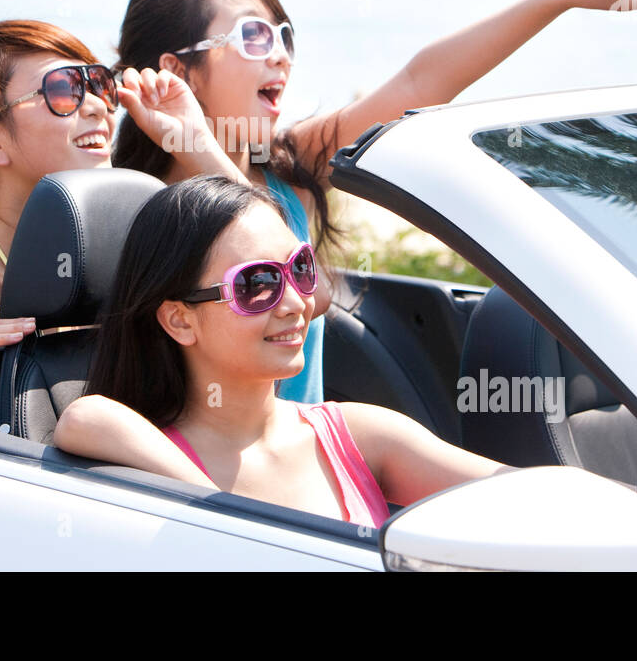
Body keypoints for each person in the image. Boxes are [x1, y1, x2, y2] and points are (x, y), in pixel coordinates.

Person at [111, 0, 637, 402]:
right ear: (177, 69)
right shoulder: (139, 208)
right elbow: (310, 291)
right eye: (254, 37)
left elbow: (416, 85)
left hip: (303, 461)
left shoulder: (289, 165)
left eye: (285, 36)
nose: (281, 55)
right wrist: (202, 149)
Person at [54, 176, 513, 528]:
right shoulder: (140, 444)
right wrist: (221, 510)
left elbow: (525, 499)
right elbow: (85, 418)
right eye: (258, 284)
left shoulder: (356, 435)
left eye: (301, 268)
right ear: (179, 320)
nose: (297, 303)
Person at [0, 20, 244, 413]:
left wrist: (194, 141)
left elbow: (294, 282)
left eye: (99, 83)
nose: (96, 106)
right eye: (63, 90)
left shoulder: (136, 242)